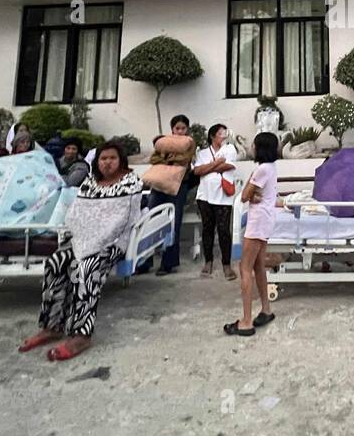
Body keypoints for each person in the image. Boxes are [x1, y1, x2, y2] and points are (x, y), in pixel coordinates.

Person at [19, 140, 142, 361]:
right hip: (82, 239)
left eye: (112, 158)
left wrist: (95, 242)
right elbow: (76, 213)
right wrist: (80, 237)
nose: (107, 163)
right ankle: (52, 324)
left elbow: (123, 220)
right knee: (55, 262)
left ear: (121, 160)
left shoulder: (130, 182)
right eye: (103, 158)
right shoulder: (90, 183)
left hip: (111, 242)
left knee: (87, 268)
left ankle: (81, 333)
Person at [225, 131, 280, 337]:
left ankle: (246, 322)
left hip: (257, 223)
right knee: (258, 265)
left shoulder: (261, 170)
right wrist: (252, 192)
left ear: (260, 148)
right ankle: (266, 309)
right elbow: (253, 194)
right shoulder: (271, 167)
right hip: (266, 220)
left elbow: (245, 196)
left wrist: (250, 188)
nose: (252, 148)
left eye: (254, 145)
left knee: (245, 268)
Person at [193, 123, 239, 280]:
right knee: (207, 229)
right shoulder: (203, 153)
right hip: (204, 196)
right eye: (220, 133)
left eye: (225, 133)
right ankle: (208, 262)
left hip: (223, 197)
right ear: (212, 136)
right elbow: (197, 171)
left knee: (224, 231)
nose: (224, 136)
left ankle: (227, 264)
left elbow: (228, 166)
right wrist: (215, 163)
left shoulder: (230, 149)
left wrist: (209, 168)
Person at [152, 113, 197, 273]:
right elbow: (154, 159)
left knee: (173, 222)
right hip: (158, 184)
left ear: (187, 129)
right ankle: (144, 261)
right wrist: (169, 158)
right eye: (177, 128)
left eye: (183, 128)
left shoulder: (190, 144)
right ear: (172, 129)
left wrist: (170, 158)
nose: (180, 131)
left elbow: (185, 159)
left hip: (179, 186)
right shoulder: (163, 142)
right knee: (151, 220)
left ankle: (168, 263)